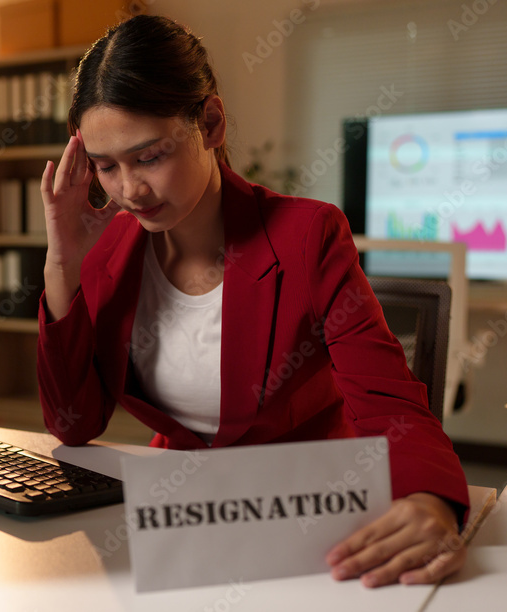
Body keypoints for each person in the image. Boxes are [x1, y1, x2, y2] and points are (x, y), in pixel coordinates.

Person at [36, 14, 469, 588]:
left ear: (210, 123)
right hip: (187, 518)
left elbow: (389, 401)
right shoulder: (109, 246)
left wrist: (431, 501)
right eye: (106, 167)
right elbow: (74, 423)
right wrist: (63, 263)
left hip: (314, 515)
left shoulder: (307, 235)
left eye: (149, 157)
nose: (129, 191)